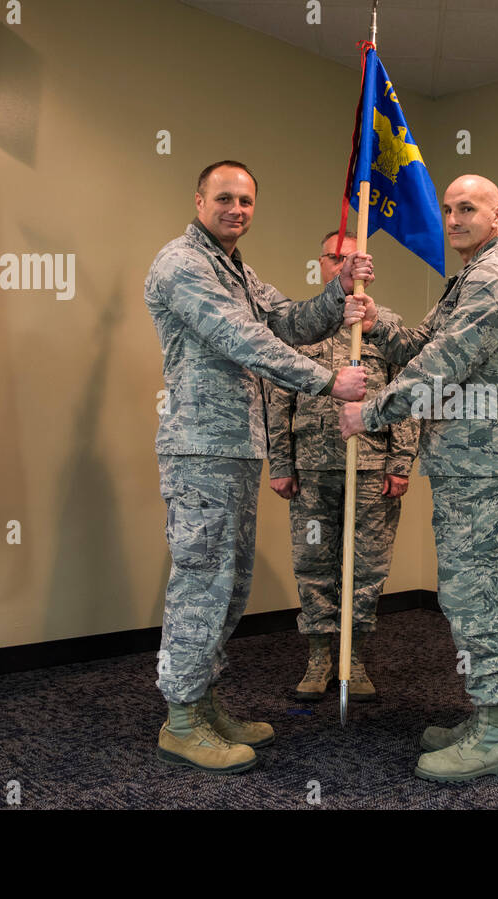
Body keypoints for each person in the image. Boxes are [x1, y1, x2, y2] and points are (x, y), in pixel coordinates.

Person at [144, 161, 372, 774]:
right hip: (199, 450)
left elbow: (288, 323)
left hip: (236, 449)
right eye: (224, 198)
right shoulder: (182, 264)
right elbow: (244, 338)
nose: (236, 209)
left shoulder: (235, 269)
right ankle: (181, 719)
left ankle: (207, 701)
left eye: (246, 201)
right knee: (201, 583)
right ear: (198, 200)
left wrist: (339, 288)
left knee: (230, 584)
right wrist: (330, 381)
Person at [341, 174, 498, 783]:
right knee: (464, 590)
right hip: (463, 459)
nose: (454, 219)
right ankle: (484, 717)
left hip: (484, 461)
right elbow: (424, 340)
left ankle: (496, 731)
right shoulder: (470, 278)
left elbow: (440, 365)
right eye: (448, 210)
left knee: (476, 594)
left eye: (468, 209)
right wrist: (376, 322)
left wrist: (368, 412)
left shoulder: (496, 281)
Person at [264, 230, 419, 703]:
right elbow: (277, 396)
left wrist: (401, 461)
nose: (344, 264)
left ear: (368, 266)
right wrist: (280, 461)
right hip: (311, 470)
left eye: (353, 258)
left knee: (367, 567)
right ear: (323, 265)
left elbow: (408, 396)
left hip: (371, 470)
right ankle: (318, 656)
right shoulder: (299, 326)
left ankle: (353, 655)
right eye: (335, 257)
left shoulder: (387, 326)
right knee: (314, 564)